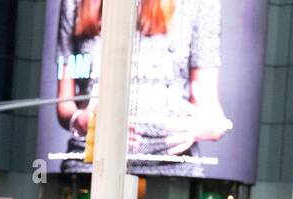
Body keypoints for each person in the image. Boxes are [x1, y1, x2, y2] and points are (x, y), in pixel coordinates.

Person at [56, 0, 231, 177]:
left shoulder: (200, 4)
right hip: (94, 161)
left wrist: (203, 125)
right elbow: (64, 103)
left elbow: (209, 111)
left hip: (172, 165)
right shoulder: (75, 2)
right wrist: (81, 120)